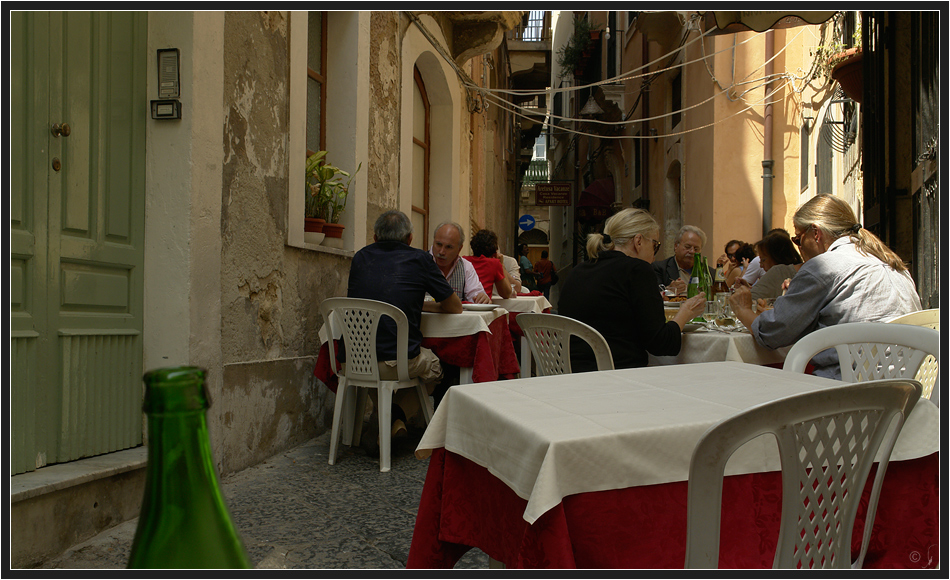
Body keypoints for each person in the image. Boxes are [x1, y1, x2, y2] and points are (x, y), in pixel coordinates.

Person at [729, 194, 922, 379]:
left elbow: (773, 333)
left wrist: (743, 310)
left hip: (848, 389)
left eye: (797, 239)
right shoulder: (891, 263)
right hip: (908, 384)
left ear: (816, 233)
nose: (799, 247)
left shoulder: (823, 266)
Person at [347, 210, 463, 442]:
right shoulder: (419, 260)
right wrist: (427, 306)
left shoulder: (360, 257)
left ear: (374, 237)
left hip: (354, 359)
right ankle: (394, 418)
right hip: (395, 361)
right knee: (440, 367)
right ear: (410, 239)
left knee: (380, 366)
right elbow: (455, 307)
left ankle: (382, 419)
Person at [559, 208, 706, 372]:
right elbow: (661, 344)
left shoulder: (579, 270)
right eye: (655, 245)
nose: (655, 254)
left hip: (571, 372)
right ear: (638, 241)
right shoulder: (638, 270)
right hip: (618, 375)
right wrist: (685, 312)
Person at [430, 222, 491, 304]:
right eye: (438, 244)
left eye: (448, 247)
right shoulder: (420, 263)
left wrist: (482, 299)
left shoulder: (466, 267)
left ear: (459, 249)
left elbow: (475, 295)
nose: (441, 252)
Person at [652, 225, 714, 295]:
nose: (692, 251)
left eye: (696, 249)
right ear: (676, 246)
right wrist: (669, 290)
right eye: (687, 247)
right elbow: (652, 297)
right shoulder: (659, 269)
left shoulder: (709, 273)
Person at [750, 231, 803, 302]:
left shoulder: (778, 271)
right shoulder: (803, 271)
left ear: (776, 257)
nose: (761, 265)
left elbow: (749, 299)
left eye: (763, 260)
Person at [464, 229, 515, 299]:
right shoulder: (494, 264)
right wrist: (502, 264)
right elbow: (506, 293)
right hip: (482, 305)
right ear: (494, 250)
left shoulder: (463, 261)